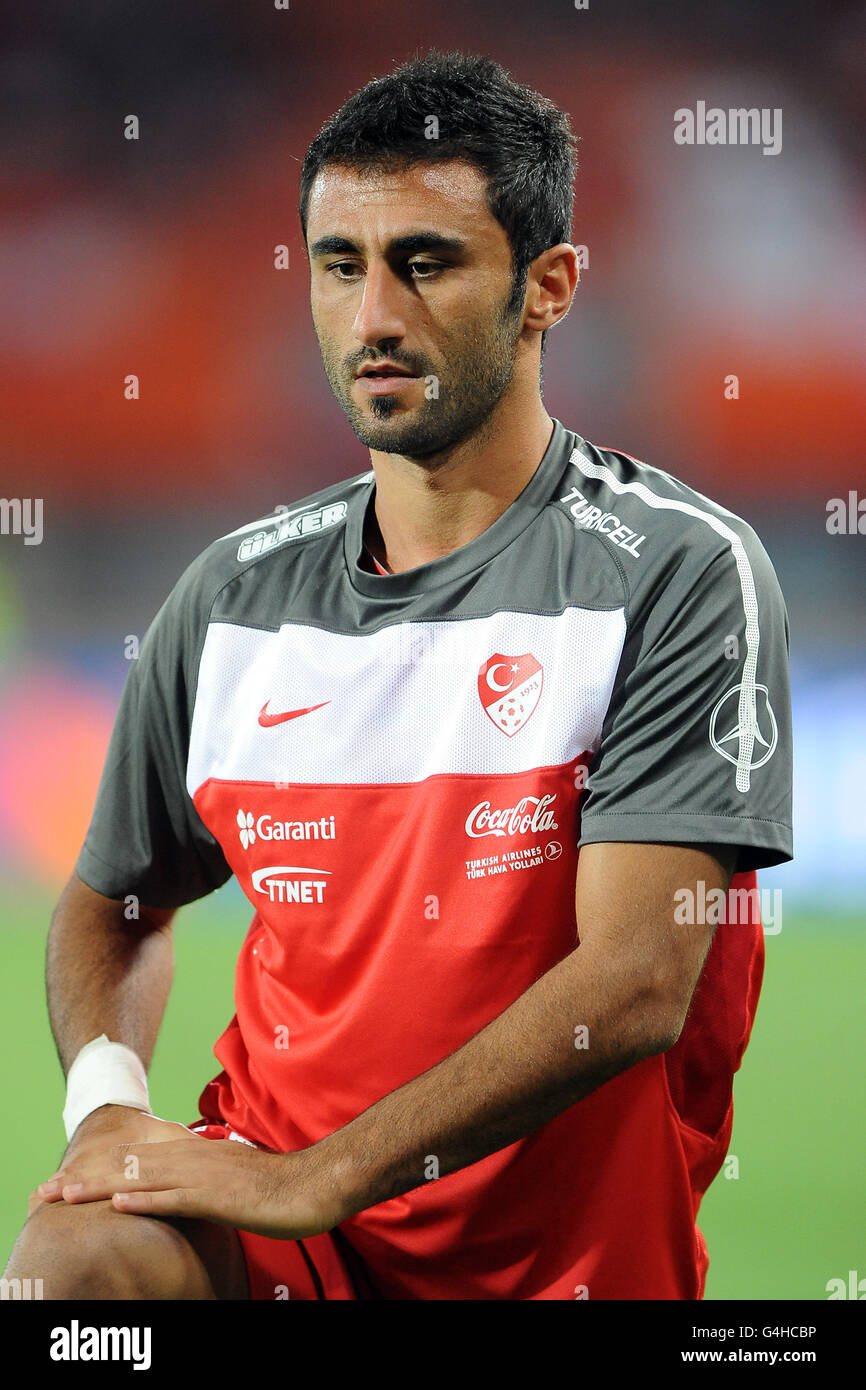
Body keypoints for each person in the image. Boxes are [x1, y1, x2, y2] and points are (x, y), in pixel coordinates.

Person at [5, 49, 792, 1300]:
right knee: (73, 1269)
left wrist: (320, 1171)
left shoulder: (676, 571)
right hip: (284, 1241)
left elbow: (639, 981)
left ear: (548, 288)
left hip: (564, 1263)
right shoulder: (231, 597)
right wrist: (108, 1108)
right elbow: (117, 898)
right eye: (338, 265)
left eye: (424, 263)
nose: (372, 316)